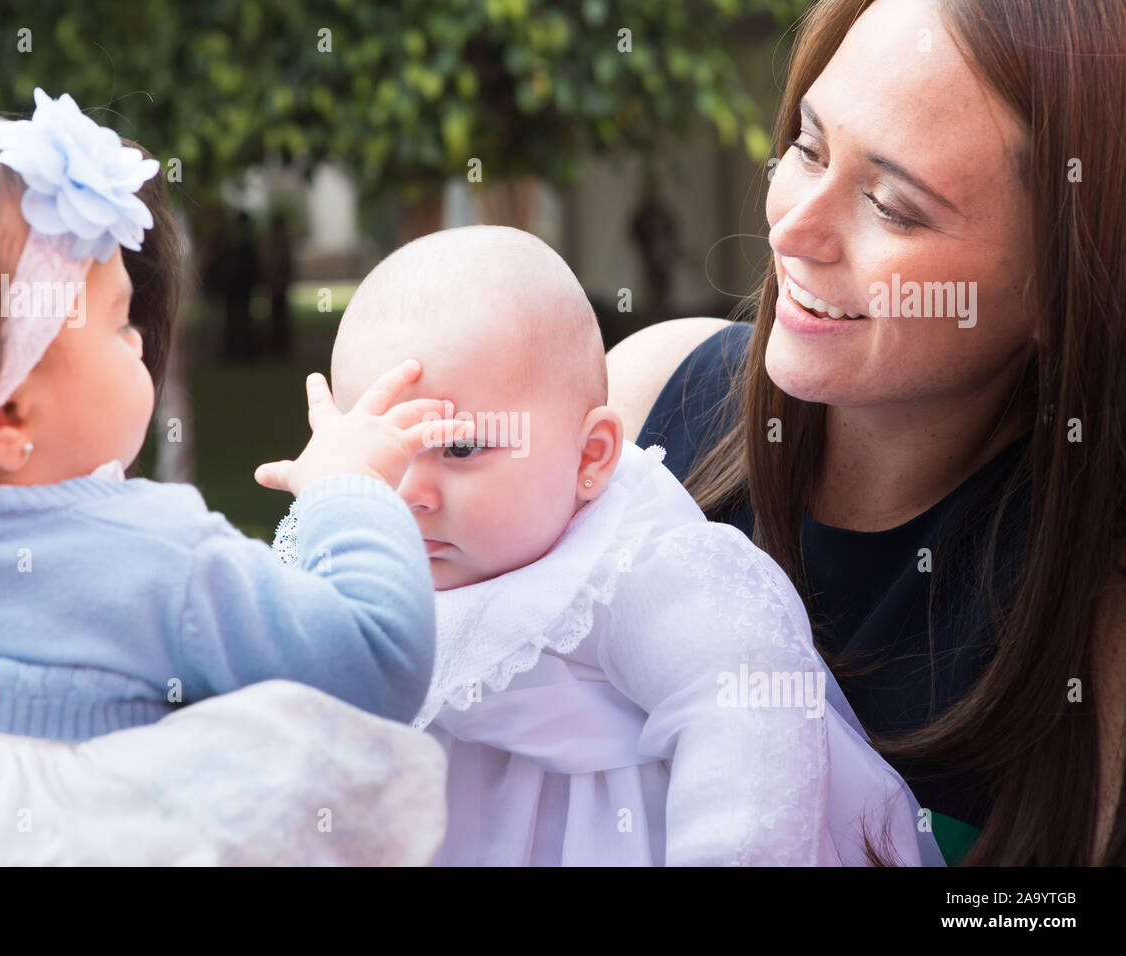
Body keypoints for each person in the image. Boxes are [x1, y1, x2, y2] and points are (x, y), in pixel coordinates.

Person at [607, 0, 1126, 865]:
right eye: (807, 147)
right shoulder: (639, 403)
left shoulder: (1097, 625)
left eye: (891, 205)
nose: (792, 228)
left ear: (1061, 281)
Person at [270, 225, 942, 866]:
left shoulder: (636, 564)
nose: (411, 493)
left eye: (462, 446)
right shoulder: (361, 569)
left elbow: (747, 726)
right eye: (376, 459)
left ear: (590, 456)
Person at [0, 89, 469, 741]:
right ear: (10, 418)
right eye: (116, 321)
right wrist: (346, 488)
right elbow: (374, 663)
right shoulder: (155, 560)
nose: (138, 339)